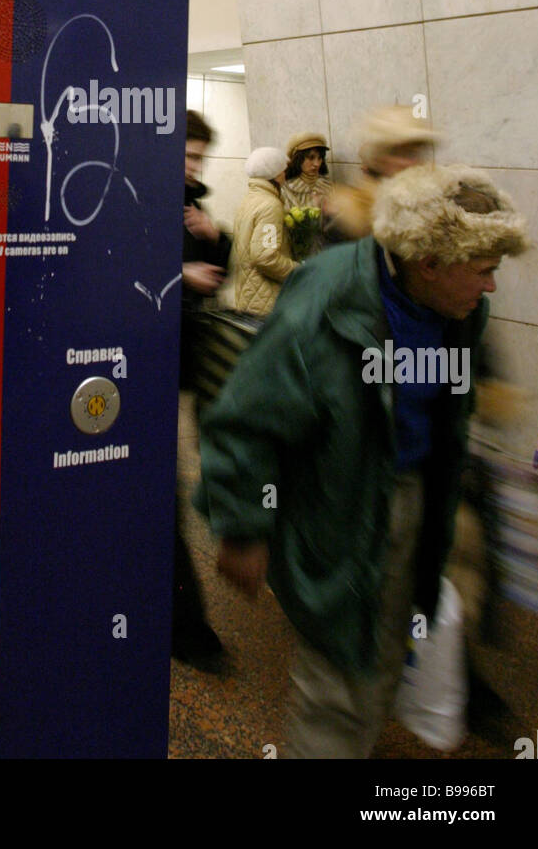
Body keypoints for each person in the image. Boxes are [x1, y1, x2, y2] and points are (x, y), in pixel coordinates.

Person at [195, 164, 529, 757]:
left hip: (412, 496)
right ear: (430, 263)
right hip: (337, 501)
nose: (491, 289)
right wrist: (244, 526)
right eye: (483, 272)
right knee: (337, 682)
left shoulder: (456, 309)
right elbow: (246, 418)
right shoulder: (324, 304)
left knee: (383, 656)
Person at [174, 110, 231, 666]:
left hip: (184, 358)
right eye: (188, 157)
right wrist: (178, 275)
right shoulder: (133, 192)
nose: (194, 168)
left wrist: (216, 241)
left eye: (200, 159)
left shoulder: (192, 204)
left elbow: (214, 269)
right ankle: (185, 628)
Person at [324, 104, 437, 241]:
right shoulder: (352, 213)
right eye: (398, 154)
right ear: (378, 158)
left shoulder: (430, 203)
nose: (410, 163)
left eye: (414, 153)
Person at [233, 146, 297, 317]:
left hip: (248, 296)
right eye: (283, 171)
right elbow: (265, 257)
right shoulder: (270, 206)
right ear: (275, 174)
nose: (285, 176)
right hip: (266, 302)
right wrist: (298, 271)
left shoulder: (249, 200)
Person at [281, 132, 333, 210]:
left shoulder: (327, 186)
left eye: (320, 158)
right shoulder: (286, 188)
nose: (317, 164)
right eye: (311, 158)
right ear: (298, 159)